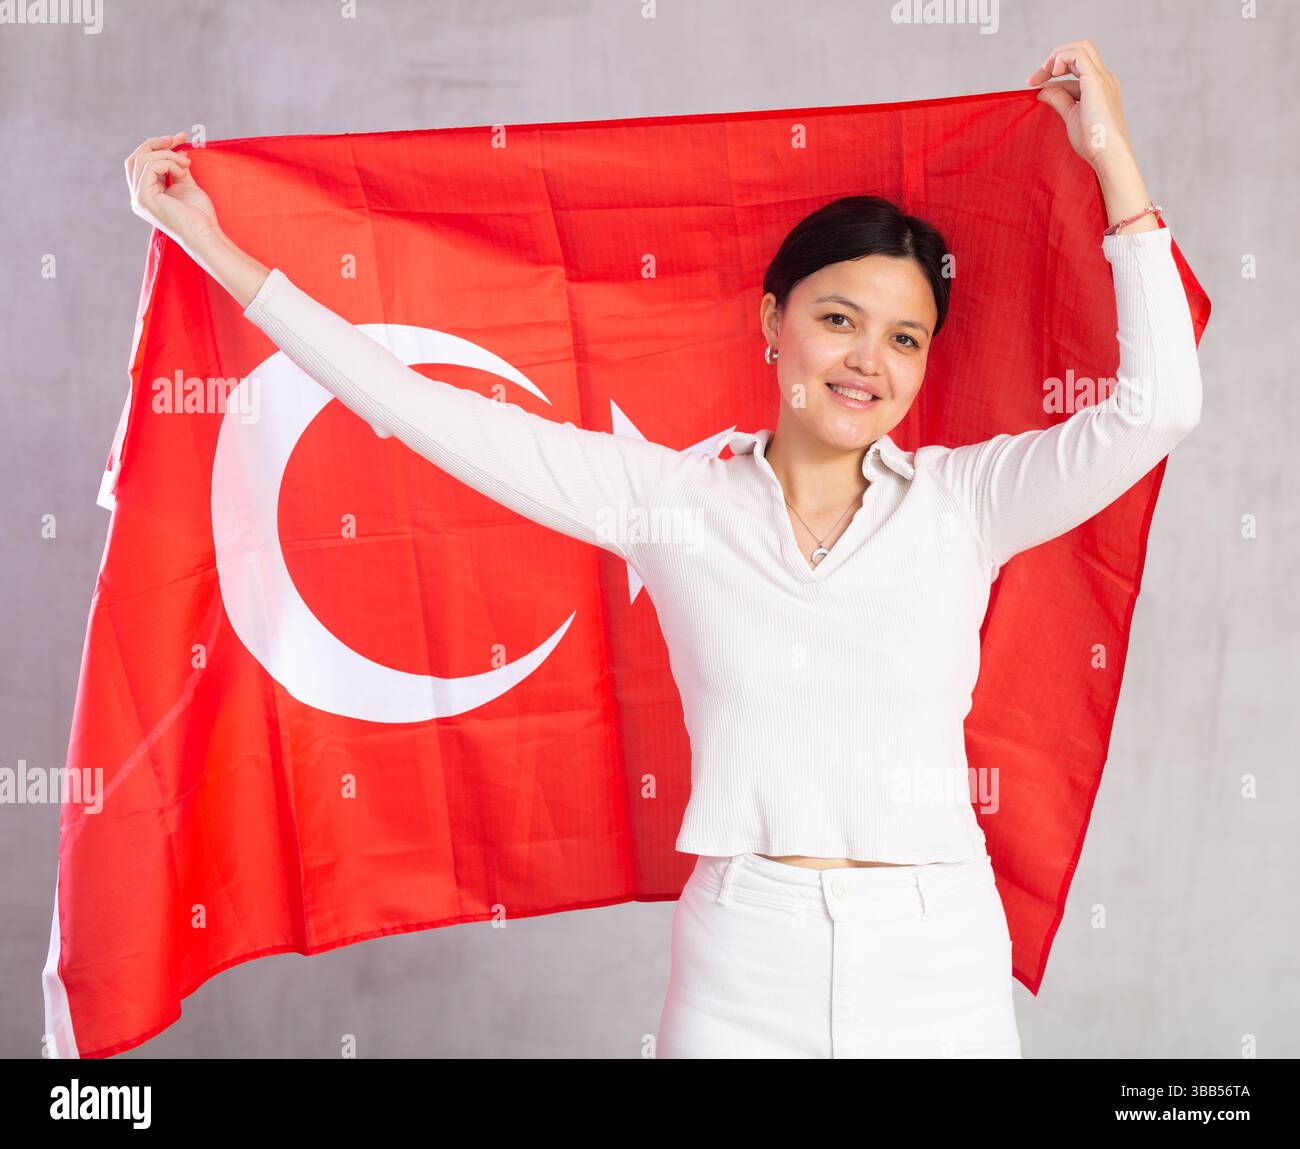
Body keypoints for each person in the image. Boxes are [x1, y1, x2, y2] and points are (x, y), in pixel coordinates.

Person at [123, 38, 1202, 1058]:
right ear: (773, 320)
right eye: (838, 319)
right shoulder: (668, 499)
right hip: (746, 958)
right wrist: (215, 248)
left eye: (903, 337)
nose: (866, 359)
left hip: (940, 954)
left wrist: (1109, 157)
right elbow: (417, 409)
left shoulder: (964, 503)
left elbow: (1155, 411)